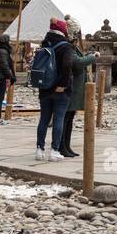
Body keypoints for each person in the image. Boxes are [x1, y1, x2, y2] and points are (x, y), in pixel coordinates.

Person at [34, 18, 74, 161]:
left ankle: (39, 149)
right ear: (63, 31)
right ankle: (55, 150)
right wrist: (63, 84)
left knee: (44, 119)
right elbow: (67, 65)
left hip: (44, 87)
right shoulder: (66, 46)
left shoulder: (45, 44)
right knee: (58, 119)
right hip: (60, 89)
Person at [61, 21, 98, 159]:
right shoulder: (68, 47)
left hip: (74, 85)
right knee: (66, 118)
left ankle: (66, 145)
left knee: (69, 118)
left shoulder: (72, 46)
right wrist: (92, 58)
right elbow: (77, 63)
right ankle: (61, 146)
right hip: (71, 85)